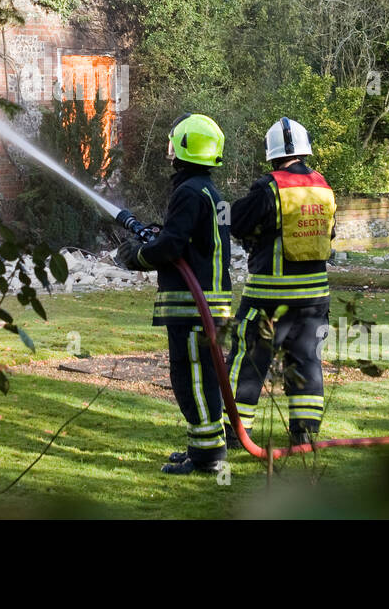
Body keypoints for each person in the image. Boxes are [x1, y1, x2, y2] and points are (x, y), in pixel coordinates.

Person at [115, 113, 233, 474]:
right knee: (204, 376)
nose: (169, 150)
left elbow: (171, 248)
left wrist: (135, 256)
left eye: (173, 143)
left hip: (191, 305)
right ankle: (203, 448)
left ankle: (207, 456)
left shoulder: (188, 192)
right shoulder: (210, 192)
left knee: (190, 376)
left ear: (182, 147)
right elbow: (186, 241)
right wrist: (158, 234)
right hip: (210, 304)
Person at [226, 117, 336, 447]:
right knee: (306, 361)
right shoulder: (324, 188)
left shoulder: (268, 187)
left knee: (249, 361)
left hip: (269, 298)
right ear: (305, 151)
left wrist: (255, 232)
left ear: (271, 155)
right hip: (315, 299)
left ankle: (235, 432)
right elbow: (329, 233)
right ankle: (304, 435)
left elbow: (236, 220)